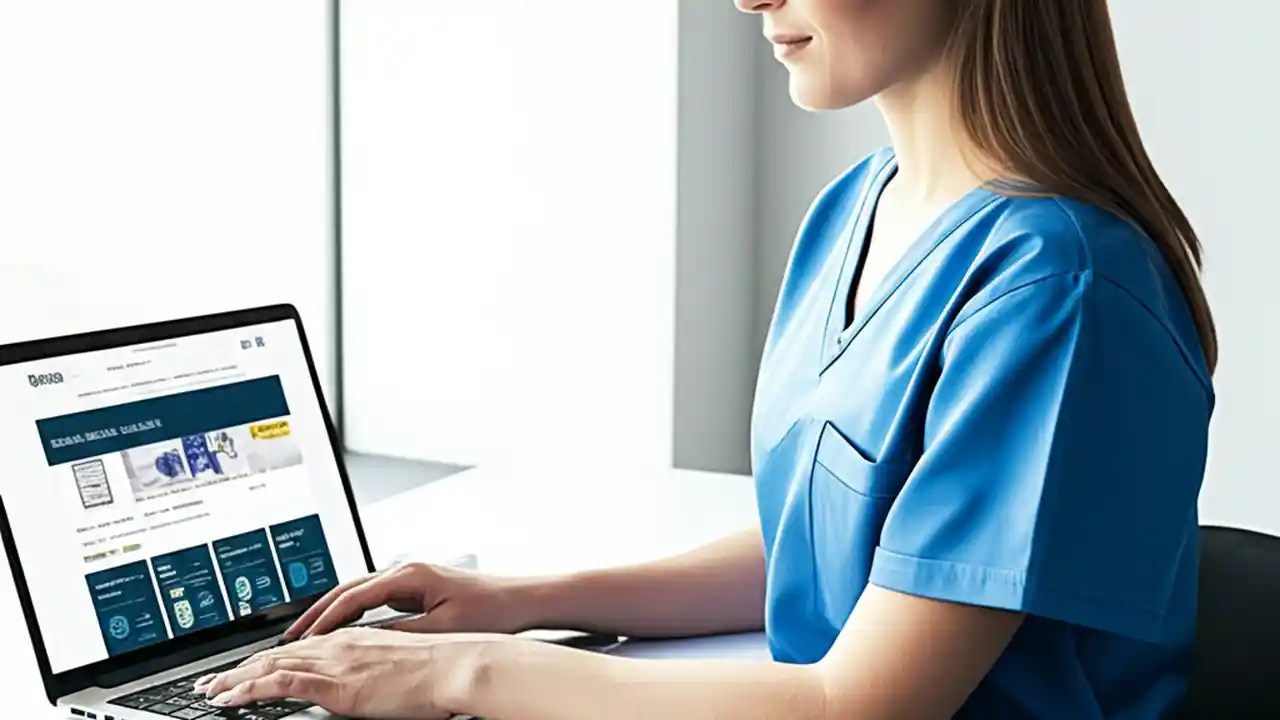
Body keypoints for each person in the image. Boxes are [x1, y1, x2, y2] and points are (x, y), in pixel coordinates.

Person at [196, 1, 1216, 717]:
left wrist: (462, 676)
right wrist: (523, 600)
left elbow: (862, 703)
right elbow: (834, 547)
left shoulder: (1056, 287)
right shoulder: (859, 207)